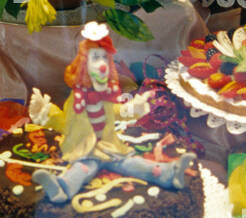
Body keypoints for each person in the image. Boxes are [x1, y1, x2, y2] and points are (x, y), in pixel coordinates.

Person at [29, 22, 193, 203]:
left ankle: (169, 174)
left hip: (110, 148)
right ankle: (61, 188)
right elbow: (64, 123)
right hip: (86, 150)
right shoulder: (75, 100)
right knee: (82, 169)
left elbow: (117, 111)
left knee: (133, 164)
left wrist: (133, 108)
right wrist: (46, 112)